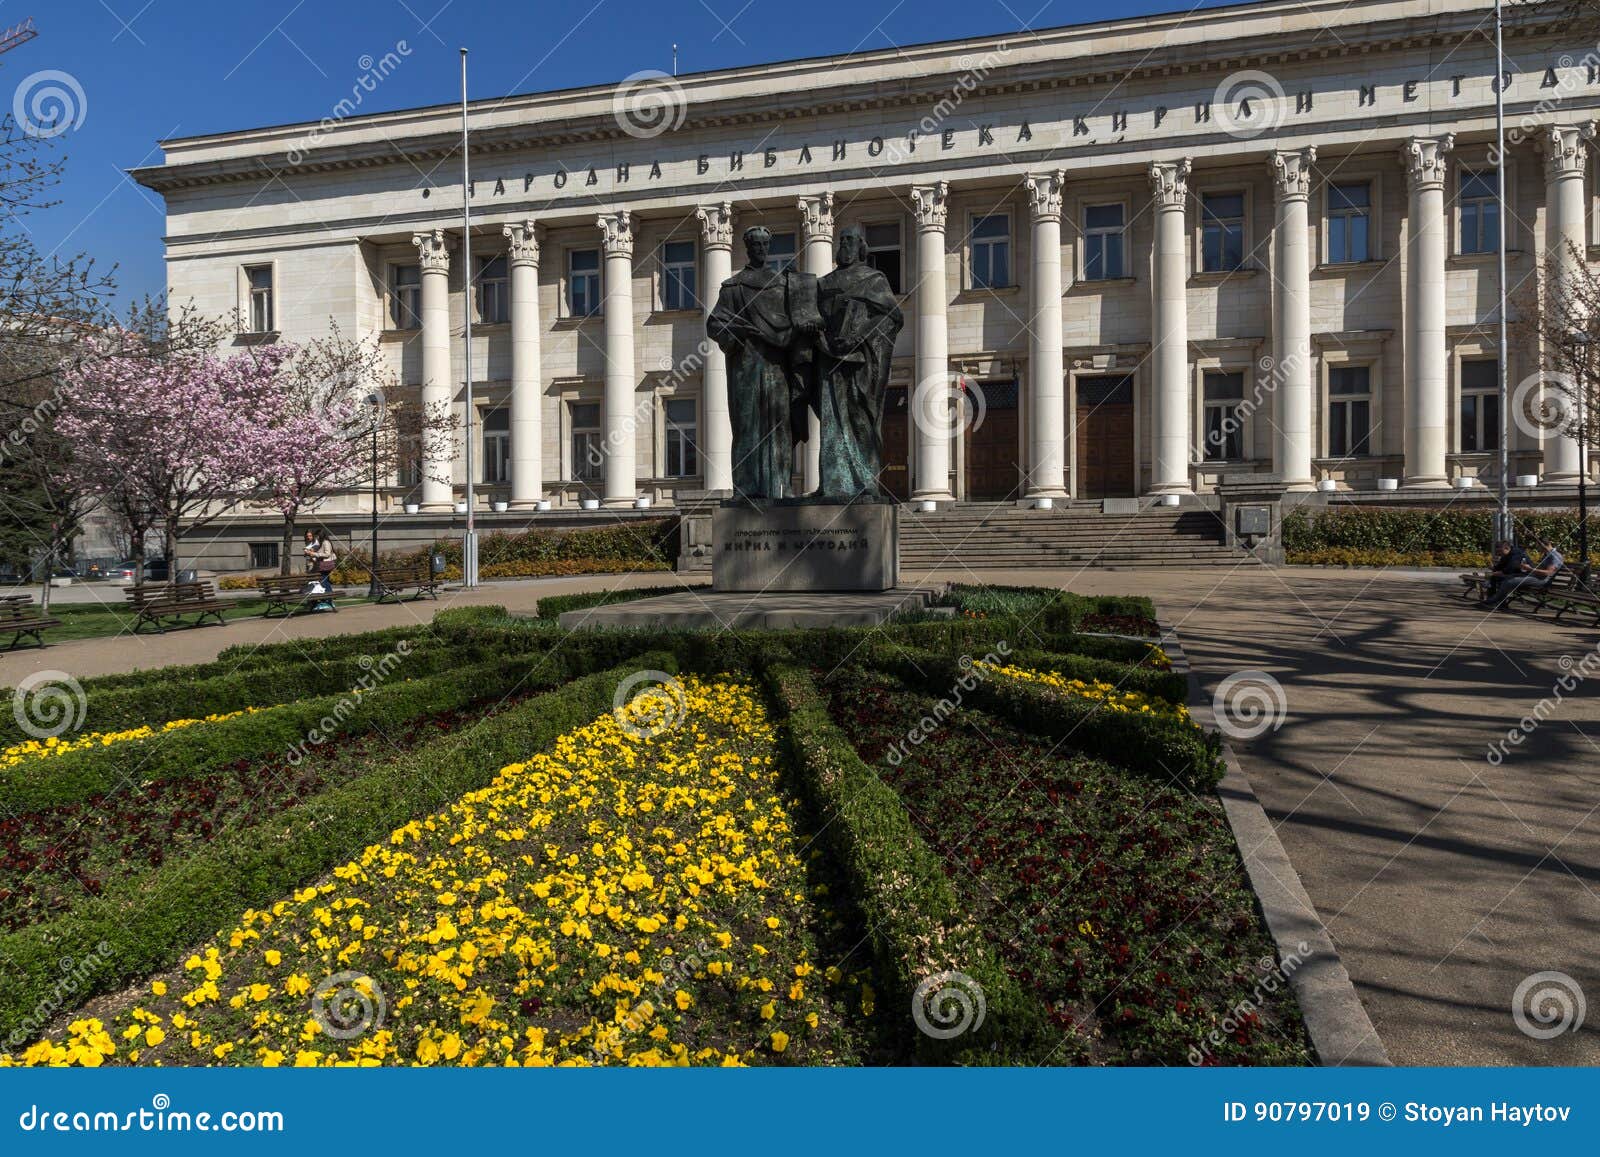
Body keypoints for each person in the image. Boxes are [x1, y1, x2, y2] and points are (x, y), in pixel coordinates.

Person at [1488, 537, 1563, 611]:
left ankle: (1492, 601)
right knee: (1506, 577)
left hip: (1542, 580)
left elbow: (1548, 573)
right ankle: (1499, 603)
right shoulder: (1547, 554)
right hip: (1535, 577)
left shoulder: (1555, 556)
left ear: (1545, 544)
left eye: (1538, 546)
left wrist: (1530, 569)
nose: (1537, 549)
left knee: (1510, 581)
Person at [1483, 539, 1529, 603]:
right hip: (1515, 574)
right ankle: (1491, 599)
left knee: (1501, 578)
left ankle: (1496, 601)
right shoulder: (1506, 554)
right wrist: (1493, 568)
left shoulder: (1516, 553)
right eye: (1497, 551)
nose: (1499, 553)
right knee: (1492, 577)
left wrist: (1495, 573)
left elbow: (1510, 569)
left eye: (1500, 551)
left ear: (1506, 548)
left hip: (1525, 576)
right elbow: (1500, 567)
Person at [306, 532, 338, 612]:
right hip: (323, 565)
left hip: (325, 565)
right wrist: (312, 554)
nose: (316, 538)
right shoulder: (322, 542)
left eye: (316, 536)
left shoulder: (325, 542)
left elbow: (326, 554)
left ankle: (328, 600)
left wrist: (314, 553)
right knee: (325, 581)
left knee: (324, 582)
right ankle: (328, 600)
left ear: (320, 535)